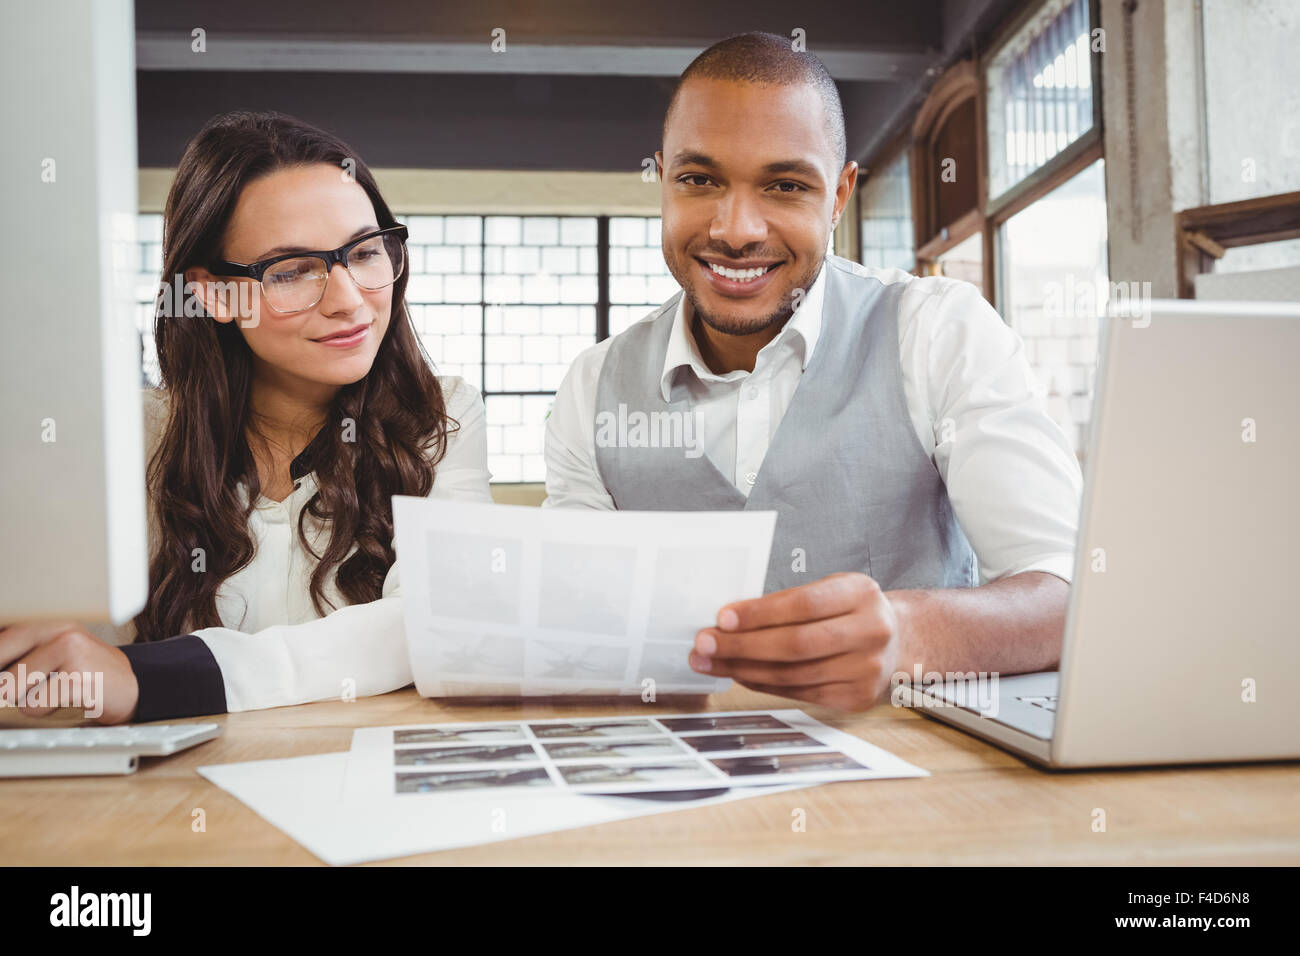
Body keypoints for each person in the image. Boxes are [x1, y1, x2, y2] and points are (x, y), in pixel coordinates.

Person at [543, 33, 1083, 712]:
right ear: (663, 178)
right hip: (675, 792)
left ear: (840, 195)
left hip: (916, 790)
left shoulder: (937, 333)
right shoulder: (592, 389)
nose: (736, 229)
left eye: (785, 185)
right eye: (699, 180)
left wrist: (911, 634)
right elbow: (570, 619)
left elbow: (1071, 590)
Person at [0, 112, 491, 724]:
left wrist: (149, 678)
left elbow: (433, 621)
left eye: (365, 252)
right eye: (291, 270)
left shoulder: (438, 417)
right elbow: (70, 649)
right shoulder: (131, 439)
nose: (348, 300)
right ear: (212, 293)